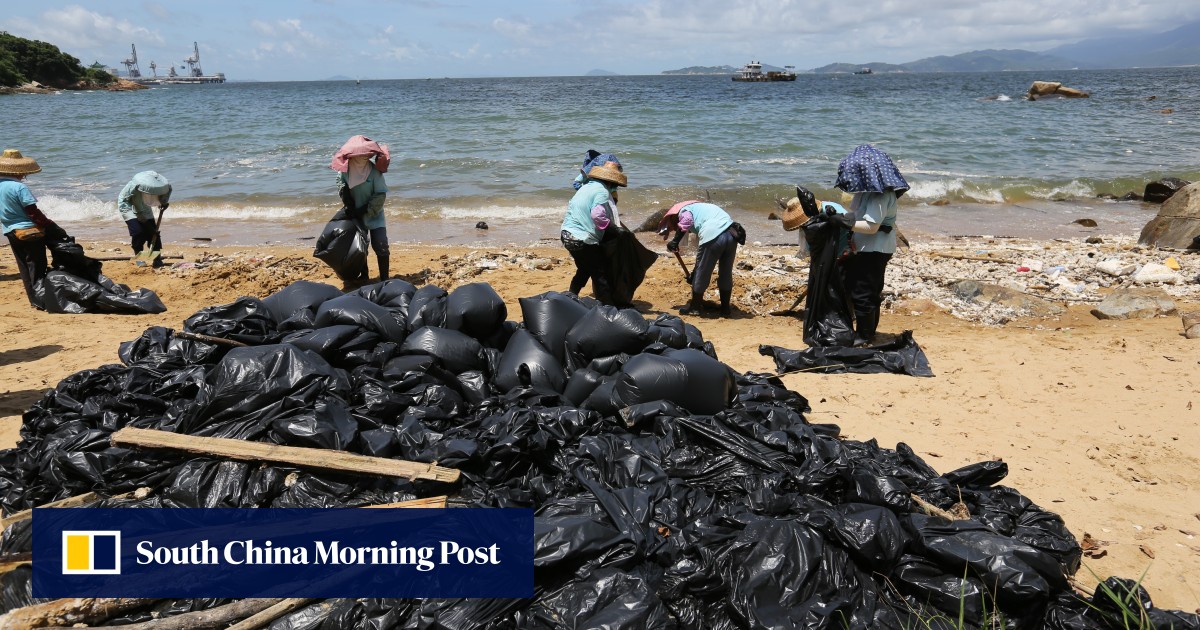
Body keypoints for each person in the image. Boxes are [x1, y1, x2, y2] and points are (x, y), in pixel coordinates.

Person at [827, 144, 909, 345]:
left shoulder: (881, 196)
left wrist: (846, 222)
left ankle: (864, 335)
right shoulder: (866, 193)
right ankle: (867, 332)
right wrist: (839, 216)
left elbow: (872, 226)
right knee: (861, 290)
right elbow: (855, 214)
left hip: (875, 250)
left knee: (864, 293)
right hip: (864, 248)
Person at [0, 149, 69, 309]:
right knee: (37, 266)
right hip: (30, 232)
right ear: (21, 171)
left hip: (10, 231)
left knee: (23, 266)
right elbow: (33, 213)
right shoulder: (19, 188)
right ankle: (42, 300)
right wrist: (52, 226)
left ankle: (33, 299)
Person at [560, 154, 626, 301]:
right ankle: (607, 306)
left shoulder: (585, 187)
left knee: (585, 268)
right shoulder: (602, 191)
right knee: (600, 272)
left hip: (566, 235)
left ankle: (572, 295)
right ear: (611, 181)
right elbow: (597, 215)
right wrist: (615, 230)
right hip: (582, 239)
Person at [658, 200, 739, 317]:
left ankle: (695, 308)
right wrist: (694, 272)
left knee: (703, 273)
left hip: (713, 234)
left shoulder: (684, 210)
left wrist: (675, 241)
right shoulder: (703, 209)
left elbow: (686, 221)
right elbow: (702, 258)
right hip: (732, 235)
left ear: (674, 216)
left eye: (674, 225)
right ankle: (725, 309)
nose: (675, 228)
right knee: (726, 273)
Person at [331, 135, 390, 281]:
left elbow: (380, 194)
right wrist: (348, 201)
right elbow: (340, 185)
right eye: (359, 156)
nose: (362, 159)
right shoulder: (344, 172)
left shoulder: (374, 172)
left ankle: (384, 278)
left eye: (365, 156)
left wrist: (365, 209)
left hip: (375, 214)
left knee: (380, 245)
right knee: (360, 248)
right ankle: (364, 276)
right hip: (355, 216)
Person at [117, 171, 172, 267]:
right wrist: (150, 229)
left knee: (154, 234)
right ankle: (140, 258)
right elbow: (140, 215)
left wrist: (164, 203)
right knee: (138, 232)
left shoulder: (160, 186)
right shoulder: (136, 189)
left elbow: (167, 191)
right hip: (128, 205)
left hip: (144, 205)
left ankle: (157, 258)